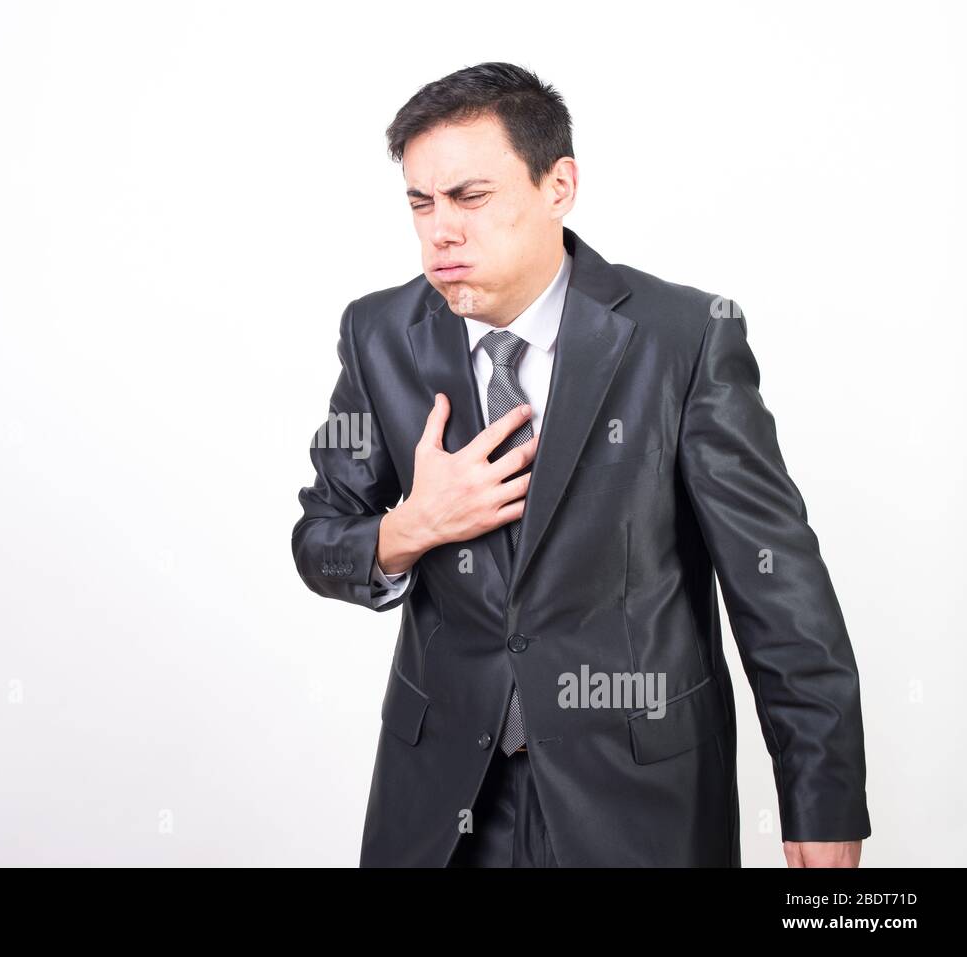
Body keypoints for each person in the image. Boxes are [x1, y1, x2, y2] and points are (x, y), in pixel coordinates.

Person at [291, 62, 871, 867]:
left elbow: (779, 591)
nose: (439, 231)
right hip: (442, 805)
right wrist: (409, 528)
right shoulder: (379, 334)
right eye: (420, 203)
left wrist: (823, 799)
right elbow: (320, 537)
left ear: (558, 185)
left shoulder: (684, 337)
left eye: (469, 196)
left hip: (638, 806)